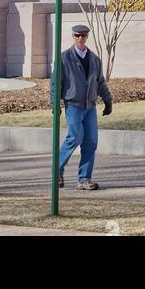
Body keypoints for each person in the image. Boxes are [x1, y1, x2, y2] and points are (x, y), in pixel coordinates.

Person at [56, 23, 112, 191]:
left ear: (87, 37)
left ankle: (84, 179)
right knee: (75, 137)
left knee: (91, 142)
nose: (80, 38)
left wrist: (108, 100)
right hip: (73, 105)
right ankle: (57, 170)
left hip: (90, 107)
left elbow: (100, 82)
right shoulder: (64, 58)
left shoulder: (94, 59)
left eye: (83, 36)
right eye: (77, 35)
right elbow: (56, 82)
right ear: (73, 37)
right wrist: (55, 102)